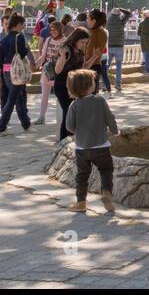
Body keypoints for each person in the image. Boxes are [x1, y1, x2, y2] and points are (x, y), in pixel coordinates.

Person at [64, 68, 119, 213]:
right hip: (101, 146)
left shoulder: (74, 105)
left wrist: (80, 130)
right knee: (106, 170)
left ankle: (81, 203)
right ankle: (106, 193)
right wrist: (115, 131)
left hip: (82, 148)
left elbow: (69, 127)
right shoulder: (100, 101)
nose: (96, 84)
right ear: (89, 86)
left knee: (82, 176)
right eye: (94, 82)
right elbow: (110, 118)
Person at [0, 14, 33, 134]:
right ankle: (1, 125)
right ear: (18, 25)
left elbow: (0, 60)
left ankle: (25, 122)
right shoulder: (19, 37)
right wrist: (26, 48)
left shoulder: (3, 39)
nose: (24, 27)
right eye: (23, 24)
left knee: (17, 97)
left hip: (6, 72)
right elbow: (21, 54)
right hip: (16, 71)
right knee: (12, 99)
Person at [54, 28, 91, 142]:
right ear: (76, 40)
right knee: (68, 112)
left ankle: (69, 140)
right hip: (62, 86)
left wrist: (94, 57)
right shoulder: (66, 50)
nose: (84, 45)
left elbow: (82, 69)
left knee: (71, 113)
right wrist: (63, 58)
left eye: (86, 43)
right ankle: (64, 140)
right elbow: (57, 70)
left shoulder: (80, 52)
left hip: (73, 86)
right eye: (82, 42)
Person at [35, 20, 67, 125]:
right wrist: (35, 64)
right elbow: (43, 56)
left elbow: (66, 58)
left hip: (59, 71)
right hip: (47, 70)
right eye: (51, 29)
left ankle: (63, 118)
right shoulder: (48, 40)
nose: (52, 32)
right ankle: (41, 117)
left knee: (60, 95)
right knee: (44, 94)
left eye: (55, 29)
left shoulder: (65, 41)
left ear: (60, 30)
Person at [86, 8, 110, 94]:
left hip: (92, 66)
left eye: (88, 18)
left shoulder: (99, 33)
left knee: (90, 96)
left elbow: (93, 52)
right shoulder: (93, 31)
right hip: (90, 66)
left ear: (93, 21)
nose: (86, 21)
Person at [106, 7, 128, 93]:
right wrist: (121, 9)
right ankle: (118, 84)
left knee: (106, 67)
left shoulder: (108, 20)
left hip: (109, 45)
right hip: (119, 46)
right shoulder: (121, 21)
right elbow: (128, 14)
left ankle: (105, 84)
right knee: (119, 67)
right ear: (119, 13)